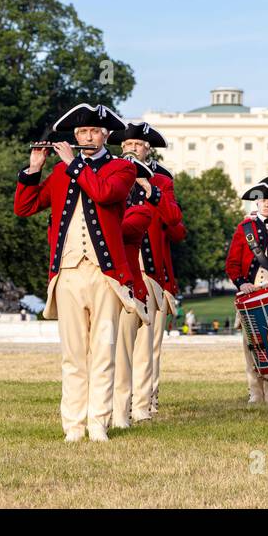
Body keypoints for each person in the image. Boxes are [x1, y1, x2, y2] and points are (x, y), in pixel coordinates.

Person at [13, 103, 137, 442]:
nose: (87, 136)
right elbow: (24, 208)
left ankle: (98, 422)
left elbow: (103, 192)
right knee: (72, 353)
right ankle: (73, 426)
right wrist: (33, 169)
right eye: (82, 132)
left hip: (105, 274)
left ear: (106, 135)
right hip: (67, 273)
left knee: (103, 350)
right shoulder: (59, 173)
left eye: (94, 131)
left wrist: (73, 163)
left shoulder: (121, 169)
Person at [111, 121, 186, 422]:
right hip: (117, 267)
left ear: (147, 150)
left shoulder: (161, 182)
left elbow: (176, 225)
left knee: (146, 346)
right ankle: (116, 403)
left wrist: (151, 190)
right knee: (114, 341)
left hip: (150, 272)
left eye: (138, 146)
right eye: (128, 146)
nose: (132, 149)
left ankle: (142, 405)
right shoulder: (111, 176)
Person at [226, 177, 268, 405]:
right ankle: (255, 393)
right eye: (263, 200)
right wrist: (241, 283)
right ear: (257, 203)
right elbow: (232, 263)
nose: (267, 204)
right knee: (251, 346)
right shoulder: (245, 228)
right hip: (251, 295)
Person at [114, 159, 158, 429]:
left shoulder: (141, 212)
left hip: (128, 291)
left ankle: (120, 414)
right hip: (99, 289)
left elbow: (117, 233)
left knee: (121, 357)